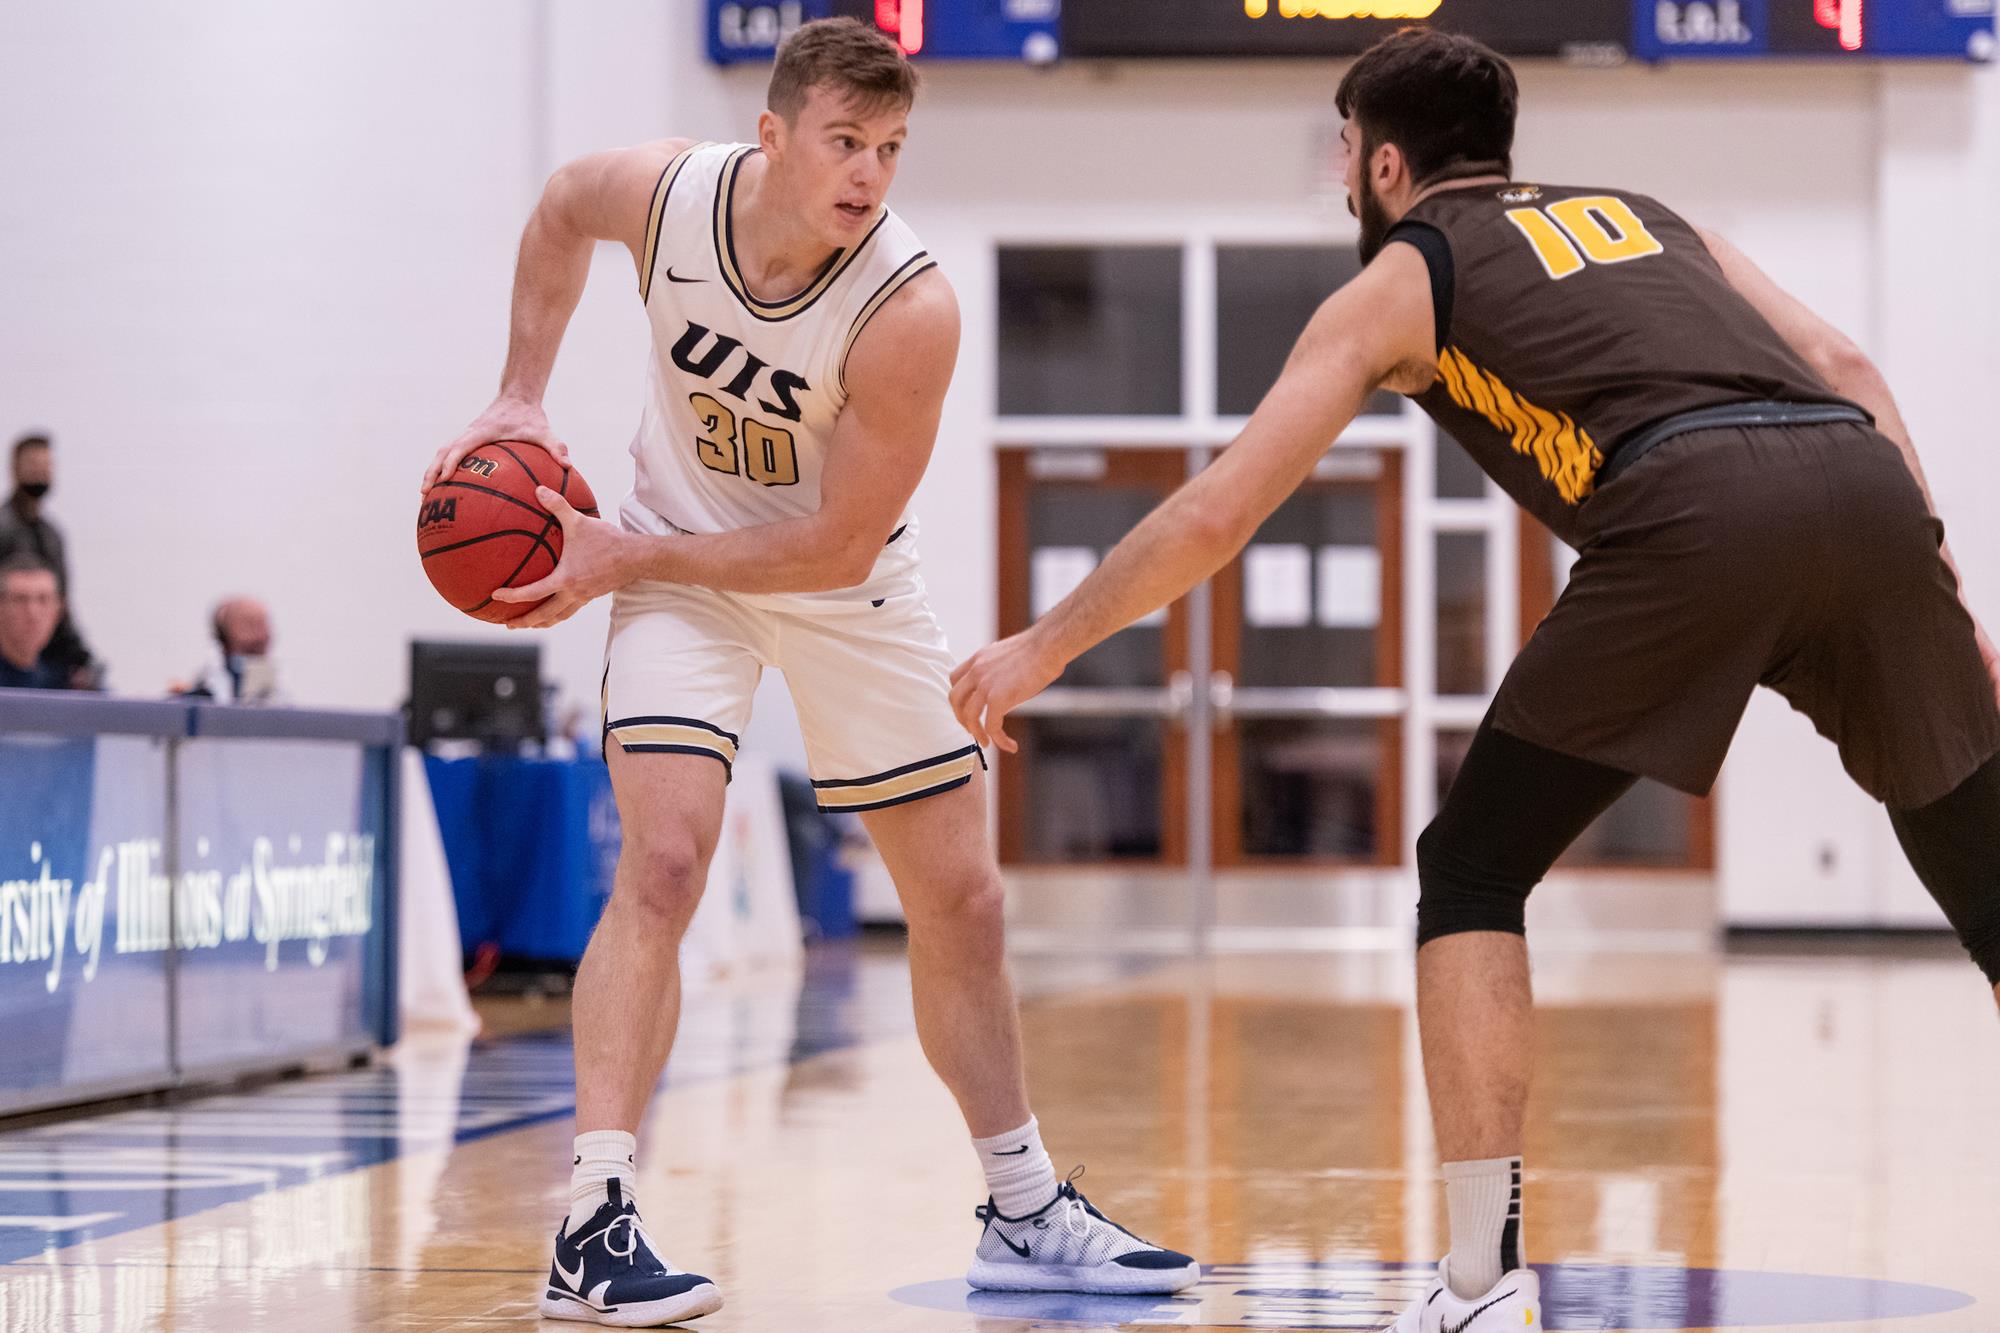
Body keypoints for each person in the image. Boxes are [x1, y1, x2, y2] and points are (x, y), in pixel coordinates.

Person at [949, 27, 2000, 1333]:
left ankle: (1480, 1284)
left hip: (1691, 505)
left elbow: (1219, 510)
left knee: (1473, 868)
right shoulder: (1644, 212)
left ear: (1384, 162)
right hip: (1860, 485)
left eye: (1344, 155)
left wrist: (1043, 645)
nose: (1343, 181)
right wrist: (1941, 586)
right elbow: (1844, 365)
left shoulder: (1407, 272)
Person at [420, 18, 1197, 1328]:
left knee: (966, 898)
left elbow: (835, 543)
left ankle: (1022, 1206)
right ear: (771, 136)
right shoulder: (667, 196)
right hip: (671, 566)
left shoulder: (910, 307)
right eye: (845, 142)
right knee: (661, 862)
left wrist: (632, 558)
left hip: (841, 586)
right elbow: (558, 208)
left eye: (891, 148)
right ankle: (593, 1222)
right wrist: (519, 396)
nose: (868, 174)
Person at [0, 433, 97, 688]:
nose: (40, 473)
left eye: (46, 466)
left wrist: (80, 656)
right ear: (16, 469)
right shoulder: (4, 527)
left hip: (46, 657)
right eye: (33, 465)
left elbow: (63, 604)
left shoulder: (52, 534)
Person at [176, 597, 282, 704]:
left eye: (263, 625)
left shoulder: (281, 697)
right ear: (223, 635)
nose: (261, 636)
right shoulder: (201, 692)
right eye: (250, 625)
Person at [0, 556, 74, 691]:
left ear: (59, 611)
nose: (32, 613)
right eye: (19, 600)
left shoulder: (69, 685)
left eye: (43, 600)